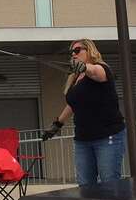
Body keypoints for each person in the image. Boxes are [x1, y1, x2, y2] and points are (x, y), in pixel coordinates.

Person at [41, 39, 126, 186]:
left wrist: (85, 68)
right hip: (83, 139)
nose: (74, 54)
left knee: (109, 183)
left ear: (90, 51)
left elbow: (95, 72)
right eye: (71, 52)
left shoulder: (101, 69)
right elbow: (73, 104)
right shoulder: (75, 78)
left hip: (107, 136)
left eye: (77, 50)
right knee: (85, 185)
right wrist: (57, 124)